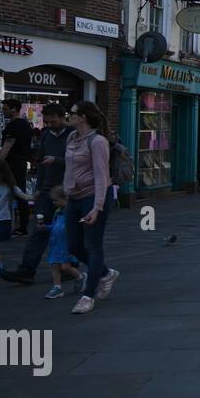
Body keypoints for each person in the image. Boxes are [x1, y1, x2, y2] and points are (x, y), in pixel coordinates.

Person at [0, 104, 73, 286]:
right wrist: (39, 187)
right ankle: (27, 270)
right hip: (47, 190)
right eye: (46, 122)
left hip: (68, 190)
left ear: (62, 117)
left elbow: (78, 162)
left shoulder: (73, 135)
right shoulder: (46, 135)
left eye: (53, 121)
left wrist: (57, 160)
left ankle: (69, 266)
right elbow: (41, 162)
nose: (49, 125)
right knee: (40, 229)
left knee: (67, 230)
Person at [64, 101, 119, 315]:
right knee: (74, 246)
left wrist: (97, 208)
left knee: (93, 244)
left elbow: (101, 176)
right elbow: (70, 168)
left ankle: (88, 295)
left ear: (83, 117)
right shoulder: (71, 138)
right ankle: (106, 273)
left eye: (72, 113)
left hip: (94, 197)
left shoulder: (98, 142)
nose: (69, 116)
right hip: (74, 198)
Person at [0, 98, 34, 235]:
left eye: (5, 109)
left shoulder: (14, 126)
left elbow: (7, 146)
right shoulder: (26, 125)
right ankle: (22, 226)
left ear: (14, 109)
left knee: (2, 191)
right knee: (20, 193)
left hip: (11, 164)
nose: (3, 111)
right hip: (21, 163)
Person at [42, 186, 83, 299]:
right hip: (56, 243)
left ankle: (80, 277)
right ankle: (57, 287)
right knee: (55, 265)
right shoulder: (58, 212)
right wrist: (46, 227)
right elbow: (55, 226)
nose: (54, 203)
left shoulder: (71, 212)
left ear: (65, 198)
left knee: (65, 267)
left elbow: (76, 225)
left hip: (66, 243)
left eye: (56, 200)